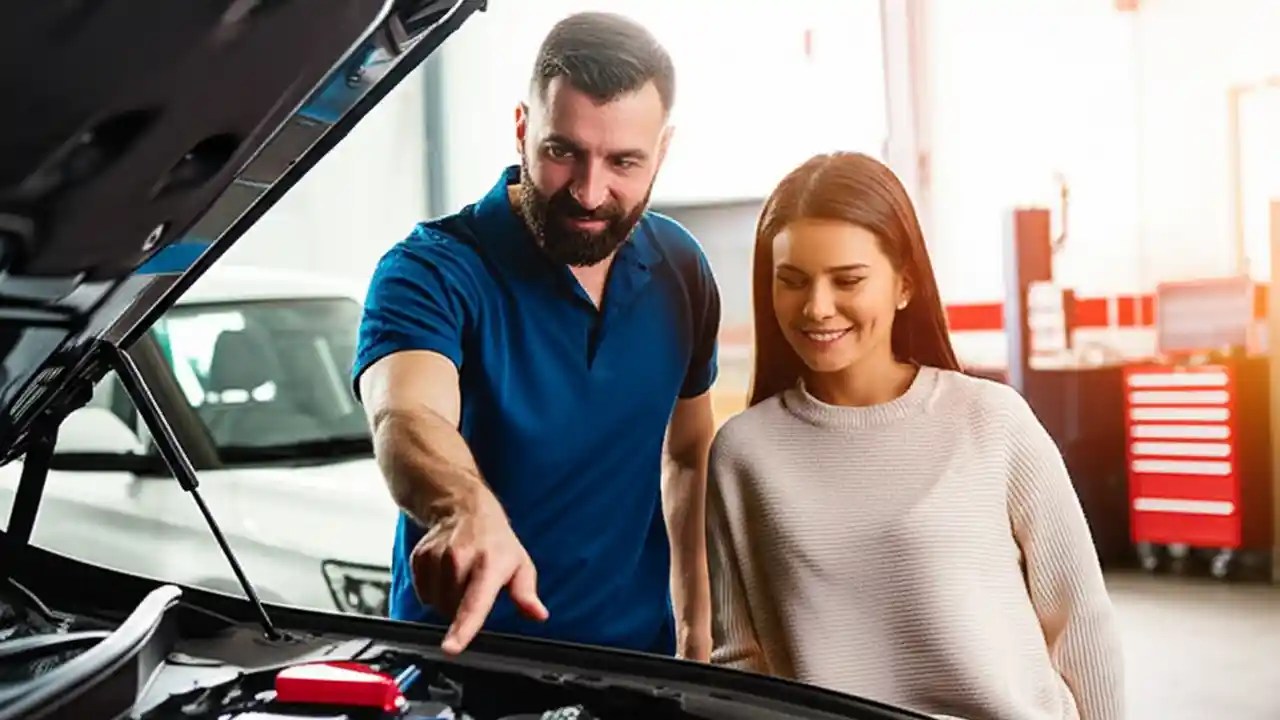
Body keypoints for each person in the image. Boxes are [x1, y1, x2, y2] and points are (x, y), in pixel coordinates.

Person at [704, 151, 1125, 719]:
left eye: (848, 280)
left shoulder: (991, 419)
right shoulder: (743, 454)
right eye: (793, 281)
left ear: (904, 284)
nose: (817, 307)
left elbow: (1080, 622)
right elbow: (740, 662)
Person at [352, 11, 719, 660]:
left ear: (662, 150)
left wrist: (695, 635)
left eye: (624, 161)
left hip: (637, 678)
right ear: (523, 128)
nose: (589, 190)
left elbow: (688, 455)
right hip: (463, 674)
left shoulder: (682, 269)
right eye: (563, 152)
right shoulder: (430, 270)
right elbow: (406, 413)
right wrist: (463, 507)